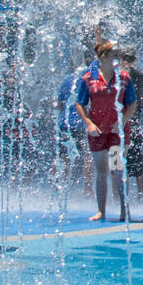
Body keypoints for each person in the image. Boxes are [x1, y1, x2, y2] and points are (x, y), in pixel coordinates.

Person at [74, 41, 138, 221]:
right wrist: (88, 123)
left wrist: (122, 121)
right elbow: (80, 103)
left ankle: (124, 210)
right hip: (97, 131)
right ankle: (101, 210)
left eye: (117, 55)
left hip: (117, 132)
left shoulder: (124, 77)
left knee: (118, 169)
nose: (117, 59)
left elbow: (132, 103)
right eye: (113, 55)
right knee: (101, 171)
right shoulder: (89, 78)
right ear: (103, 58)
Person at [55, 53, 92, 195]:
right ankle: (87, 189)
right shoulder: (89, 78)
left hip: (64, 123)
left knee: (63, 157)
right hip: (83, 123)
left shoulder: (67, 79)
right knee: (87, 157)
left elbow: (59, 103)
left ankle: (60, 187)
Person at [120, 49, 143, 197]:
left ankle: (119, 193)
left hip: (119, 121)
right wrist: (137, 110)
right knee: (137, 155)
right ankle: (140, 193)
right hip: (135, 120)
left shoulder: (118, 76)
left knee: (119, 156)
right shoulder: (140, 76)